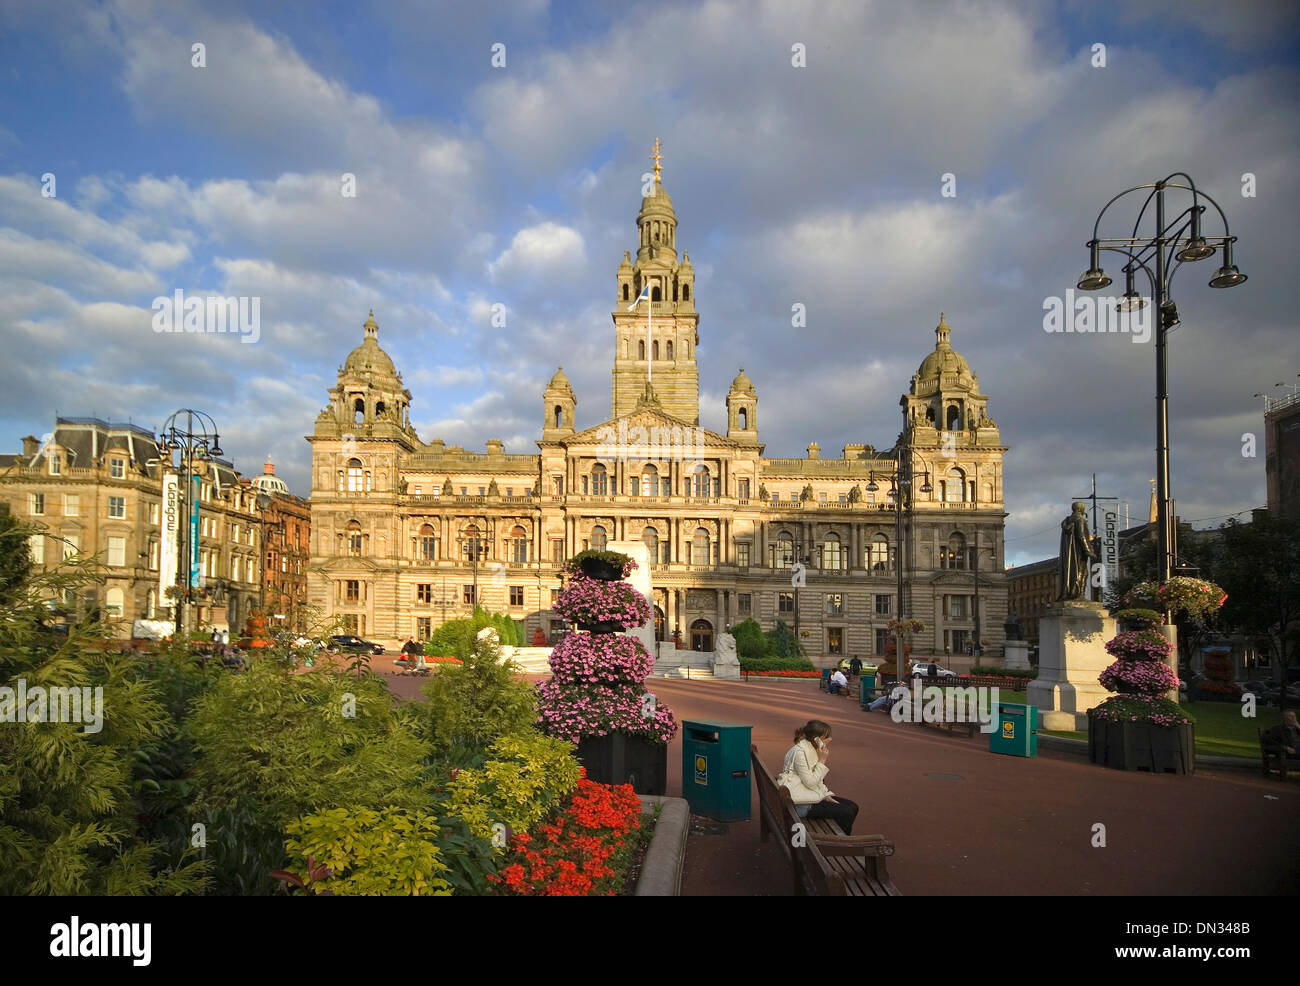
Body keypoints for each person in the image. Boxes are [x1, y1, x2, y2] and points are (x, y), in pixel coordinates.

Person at [776, 720, 860, 835]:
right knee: (847, 812)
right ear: (816, 739)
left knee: (853, 806)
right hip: (801, 804)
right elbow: (810, 782)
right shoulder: (800, 752)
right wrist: (822, 761)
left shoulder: (811, 748)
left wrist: (826, 794)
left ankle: (839, 839)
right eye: (826, 737)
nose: (830, 739)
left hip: (809, 795)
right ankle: (840, 844)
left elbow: (817, 780)